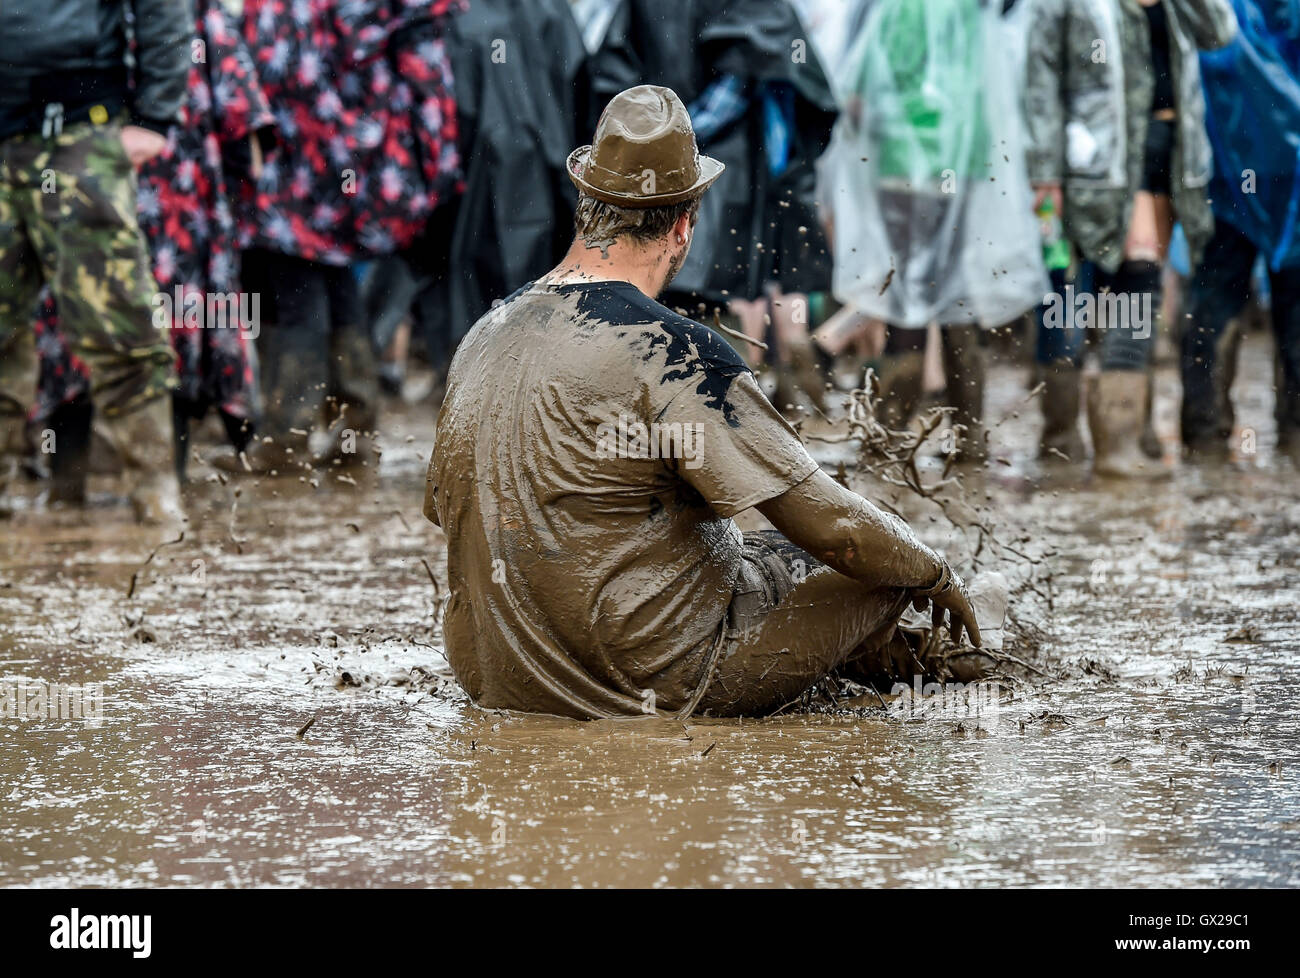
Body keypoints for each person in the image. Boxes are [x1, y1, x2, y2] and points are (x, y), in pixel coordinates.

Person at [423, 86, 980, 720]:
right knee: (880, 567)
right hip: (652, 684)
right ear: (686, 222)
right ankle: (931, 661)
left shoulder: (481, 335)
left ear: (586, 206)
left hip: (492, 675)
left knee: (762, 556)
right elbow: (839, 529)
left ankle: (894, 659)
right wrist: (934, 572)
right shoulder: (674, 350)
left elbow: (453, 514)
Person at [32, 0, 277, 498]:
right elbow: (242, 125)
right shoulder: (202, 17)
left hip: (85, 194)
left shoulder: (66, 12)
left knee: (75, 326)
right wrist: (231, 213)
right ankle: (164, 490)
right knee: (173, 337)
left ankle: (67, 491)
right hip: (178, 215)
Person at [222, 0, 464, 473]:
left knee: (299, 286)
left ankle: (284, 441)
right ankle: (355, 430)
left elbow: (283, 72)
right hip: (347, 156)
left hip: (301, 156)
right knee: (332, 281)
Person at [817, 0, 1044, 461]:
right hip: (966, 166)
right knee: (956, 298)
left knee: (908, 301)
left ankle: (888, 438)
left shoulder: (904, 7)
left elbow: (861, 91)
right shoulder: (977, 7)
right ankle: (969, 438)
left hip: (906, 165)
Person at [588, 0, 839, 412]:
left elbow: (615, 78)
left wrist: (655, 139)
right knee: (706, 295)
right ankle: (732, 410)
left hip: (699, 167)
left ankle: (729, 410)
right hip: (718, 164)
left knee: (696, 293)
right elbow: (764, 62)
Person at [1025, 0, 1237, 477]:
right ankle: (1084, 438)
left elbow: (1220, 32)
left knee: (1138, 281)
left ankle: (1119, 436)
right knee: (1082, 287)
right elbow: (1039, 77)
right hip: (1095, 162)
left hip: (1168, 154)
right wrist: (1043, 171)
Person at [0, 0, 191, 524]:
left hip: (81, 131)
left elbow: (162, 10)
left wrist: (155, 113)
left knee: (118, 319)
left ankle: (156, 498)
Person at [1181, 0, 1300, 456]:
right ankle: (1208, 431)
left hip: (1249, 175)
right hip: (1231, 174)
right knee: (1215, 309)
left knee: (1227, 309)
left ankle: (1213, 433)